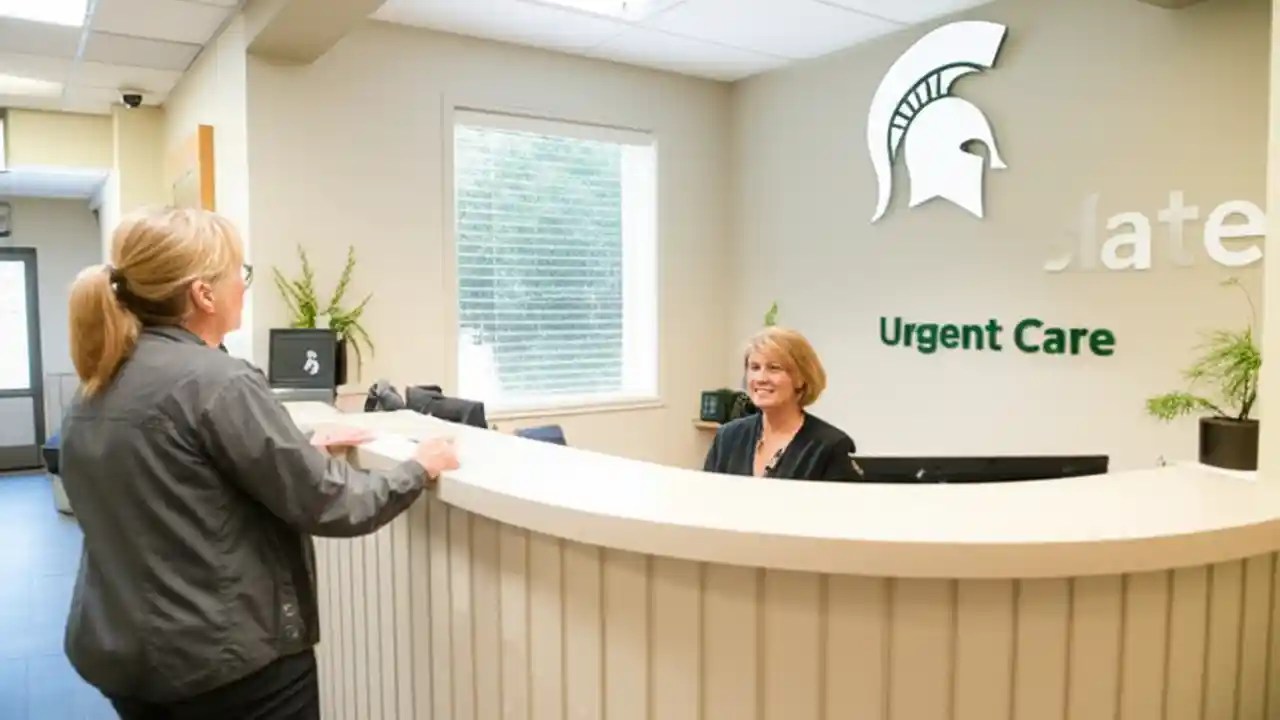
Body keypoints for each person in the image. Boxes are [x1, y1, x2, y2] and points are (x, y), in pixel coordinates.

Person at [58, 207, 459, 719]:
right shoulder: (218, 381)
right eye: (239, 274)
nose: (243, 287)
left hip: (129, 659)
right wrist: (417, 467)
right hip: (227, 670)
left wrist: (300, 449)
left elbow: (178, 484)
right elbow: (333, 504)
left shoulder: (101, 380)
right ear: (203, 294)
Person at [703, 326, 857, 481]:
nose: (761, 378)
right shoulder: (728, 437)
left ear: (800, 378)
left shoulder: (830, 446)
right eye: (755, 368)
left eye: (774, 368)